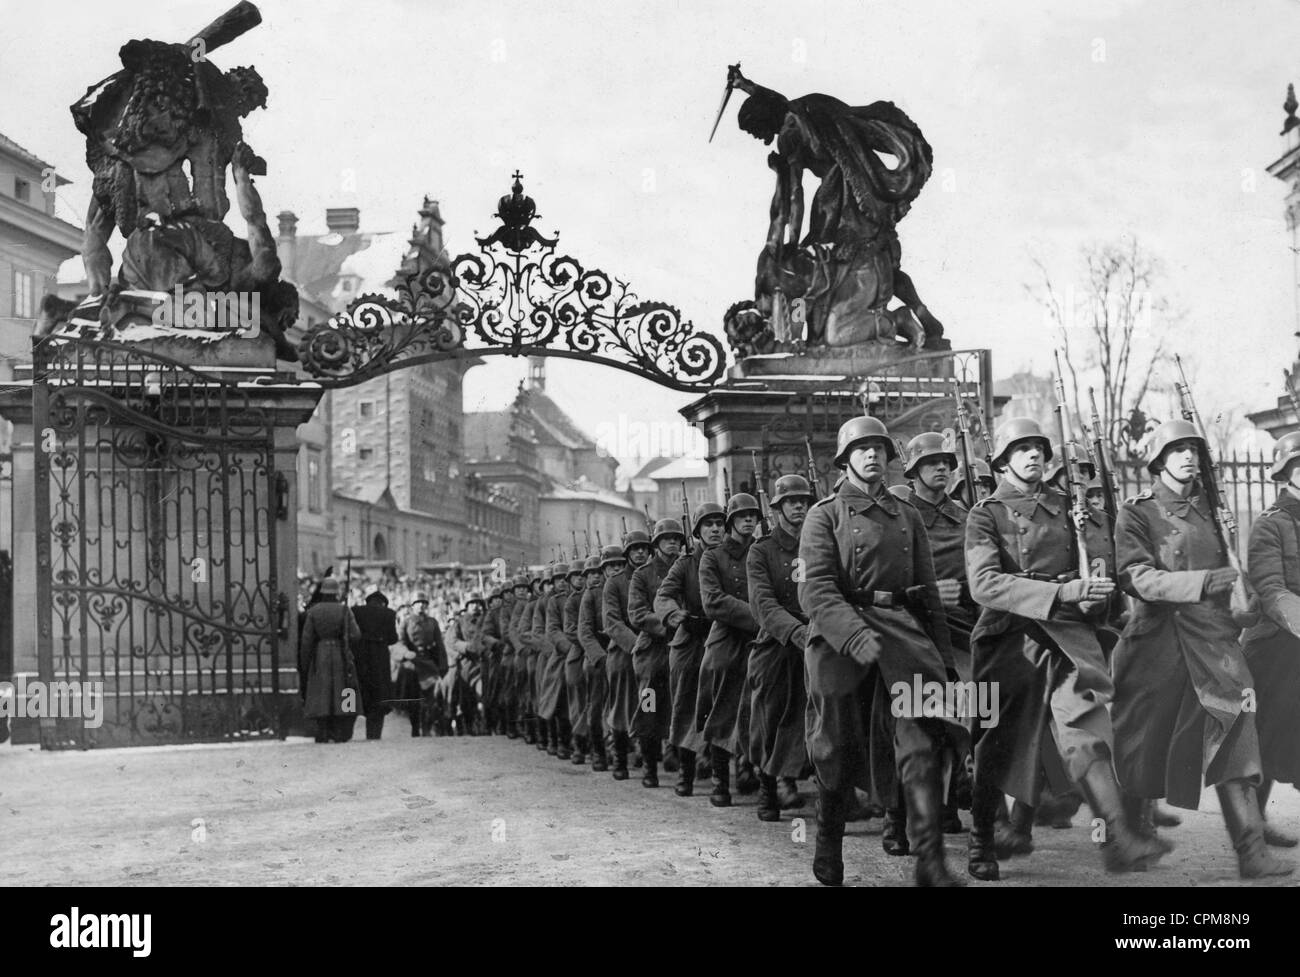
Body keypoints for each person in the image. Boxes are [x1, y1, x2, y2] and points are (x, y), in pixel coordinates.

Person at [965, 417, 1164, 882]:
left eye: (1039, 447)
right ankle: (981, 836)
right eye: (1022, 448)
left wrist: (1097, 591)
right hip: (1010, 637)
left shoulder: (1069, 508)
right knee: (997, 742)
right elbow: (984, 583)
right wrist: (1062, 593)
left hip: (1068, 637)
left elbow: (1099, 566)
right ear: (1003, 460)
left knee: (1084, 727)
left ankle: (1119, 833)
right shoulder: (986, 514)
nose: (1034, 454)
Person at [1112, 420, 1292, 879]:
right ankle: (1132, 829)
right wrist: (1203, 583)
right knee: (1144, 742)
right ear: (1158, 459)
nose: (1188, 456)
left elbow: (1239, 585)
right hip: (1158, 640)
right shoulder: (1138, 513)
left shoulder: (1215, 511)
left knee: (1234, 729)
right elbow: (1137, 578)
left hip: (1213, 639)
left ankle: (1250, 850)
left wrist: (1243, 601)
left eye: (1193, 448)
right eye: (1177, 450)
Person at [800, 416, 967, 886]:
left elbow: (930, 591)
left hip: (902, 631)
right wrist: (852, 635)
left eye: (879, 449)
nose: (872, 455)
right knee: (834, 741)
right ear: (846, 459)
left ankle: (929, 855)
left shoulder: (906, 515)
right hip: (841, 635)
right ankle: (828, 842)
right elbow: (816, 591)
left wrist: (945, 661)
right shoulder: (825, 514)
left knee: (921, 738)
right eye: (862, 449)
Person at [900, 433, 974, 837]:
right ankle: (911, 811)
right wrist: (927, 595)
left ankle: (949, 802)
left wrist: (968, 592)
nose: (942, 468)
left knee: (965, 712)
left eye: (946, 461)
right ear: (913, 472)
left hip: (961, 628)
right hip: (913, 628)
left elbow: (981, 567)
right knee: (920, 721)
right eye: (932, 463)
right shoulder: (899, 514)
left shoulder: (965, 516)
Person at [1243, 430, 1300, 849]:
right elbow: (1270, 587)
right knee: (1268, 732)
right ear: (1287, 472)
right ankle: (1252, 825)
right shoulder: (1271, 525)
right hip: (1278, 644)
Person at [746, 474, 814, 821]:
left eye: (803, 500)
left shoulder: (819, 544)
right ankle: (767, 787)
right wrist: (795, 632)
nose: (799, 506)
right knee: (769, 716)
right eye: (791, 501)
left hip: (816, 639)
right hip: (776, 642)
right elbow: (763, 604)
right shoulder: (761, 551)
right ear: (777, 509)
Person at [656, 502, 726, 796]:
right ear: (697, 531)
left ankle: (723, 778)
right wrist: (674, 614)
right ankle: (685, 773)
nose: (715, 529)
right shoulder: (685, 564)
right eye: (708, 525)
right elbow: (663, 596)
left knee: (724, 706)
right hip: (691, 641)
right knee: (686, 707)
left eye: (719, 524)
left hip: (723, 637)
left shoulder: (733, 559)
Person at [697, 493, 762, 807]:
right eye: (742, 516)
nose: (748, 520)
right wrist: (760, 616)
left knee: (760, 709)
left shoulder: (762, 551)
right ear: (730, 521)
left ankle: (756, 774)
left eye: (753, 516)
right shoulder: (713, 557)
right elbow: (713, 601)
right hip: (726, 639)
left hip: (761, 640)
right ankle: (720, 781)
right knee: (722, 710)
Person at [628, 519, 686, 788]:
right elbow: (637, 613)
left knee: (683, 705)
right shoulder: (643, 574)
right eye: (667, 539)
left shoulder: (688, 568)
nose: (673, 543)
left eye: (676, 539)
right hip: (653, 648)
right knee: (649, 706)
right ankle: (650, 767)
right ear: (657, 545)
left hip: (684, 644)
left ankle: (685, 766)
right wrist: (667, 623)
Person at [604, 531, 651, 780]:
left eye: (644, 548)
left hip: (652, 655)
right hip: (623, 656)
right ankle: (620, 760)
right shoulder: (615, 582)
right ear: (628, 553)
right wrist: (636, 645)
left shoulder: (655, 576)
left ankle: (648, 762)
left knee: (649, 706)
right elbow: (612, 622)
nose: (641, 552)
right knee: (622, 709)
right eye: (635, 549)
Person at [299, 577, 363, 743]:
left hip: (320, 655)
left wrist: (305, 663)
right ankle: (341, 731)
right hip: (341, 654)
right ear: (336, 593)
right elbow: (356, 635)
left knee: (322, 693)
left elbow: (306, 640)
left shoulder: (314, 611)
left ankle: (323, 732)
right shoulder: (345, 610)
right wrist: (344, 635)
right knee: (345, 690)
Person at [579, 551, 616, 772]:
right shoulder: (591, 596)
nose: (616, 571)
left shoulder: (627, 587)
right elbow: (585, 632)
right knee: (596, 707)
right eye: (610, 567)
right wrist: (600, 657)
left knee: (643, 700)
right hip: (598, 659)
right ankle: (598, 751)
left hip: (624, 655)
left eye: (619, 565)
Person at [397, 592, 448, 737]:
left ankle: (427, 726)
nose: (421, 606)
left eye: (423, 603)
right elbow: (400, 641)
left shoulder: (433, 622)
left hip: (428, 663)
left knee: (432, 697)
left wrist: (442, 665)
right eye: (417, 603)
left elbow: (439, 645)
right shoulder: (406, 622)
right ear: (413, 606)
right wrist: (406, 653)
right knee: (413, 698)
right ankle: (415, 727)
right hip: (412, 663)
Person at [351, 587, 398, 740]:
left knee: (353, 689)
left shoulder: (355, 611)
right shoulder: (389, 614)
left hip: (359, 656)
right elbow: (393, 638)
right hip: (379, 658)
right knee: (379, 695)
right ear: (383, 603)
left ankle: (346, 731)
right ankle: (373, 735)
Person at [539, 564, 574, 759]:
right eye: (558, 579)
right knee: (558, 694)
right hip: (561, 654)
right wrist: (569, 647)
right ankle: (560, 740)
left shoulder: (579, 596)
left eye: (565, 578)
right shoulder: (553, 602)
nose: (562, 582)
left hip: (586, 649)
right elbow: (551, 630)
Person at [561, 558, 591, 764]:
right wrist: (589, 638)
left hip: (598, 650)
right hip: (578, 653)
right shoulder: (571, 601)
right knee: (579, 703)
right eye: (576, 576)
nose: (580, 579)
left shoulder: (597, 595)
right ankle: (579, 743)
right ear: (570, 580)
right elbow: (570, 631)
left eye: (583, 575)